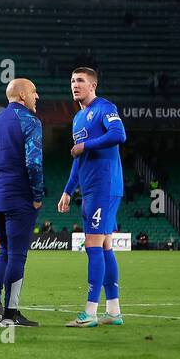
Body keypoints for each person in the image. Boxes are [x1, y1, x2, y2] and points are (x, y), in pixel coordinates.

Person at [59, 67, 127, 327]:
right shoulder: (78, 118)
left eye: (80, 81)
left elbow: (119, 135)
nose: (75, 85)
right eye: (72, 80)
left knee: (93, 245)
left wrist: (86, 145)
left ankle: (89, 313)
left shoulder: (104, 107)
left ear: (93, 85)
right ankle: (113, 311)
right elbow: (79, 157)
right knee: (106, 245)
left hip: (104, 185)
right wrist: (67, 190)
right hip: (89, 187)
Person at [0, 78, 45, 328]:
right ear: (21, 95)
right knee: (17, 254)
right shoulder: (30, 122)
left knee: (4, 252)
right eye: (33, 92)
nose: (37, 96)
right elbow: (34, 163)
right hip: (20, 197)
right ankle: (10, 313)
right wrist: (37, 196)